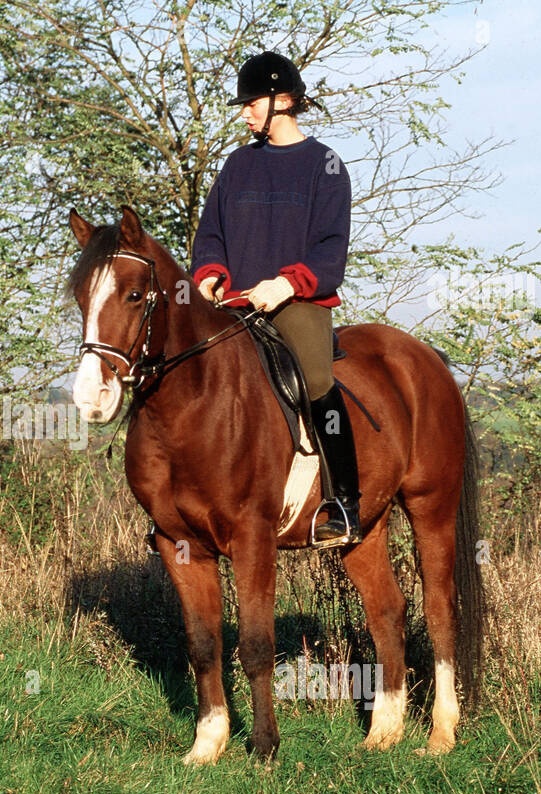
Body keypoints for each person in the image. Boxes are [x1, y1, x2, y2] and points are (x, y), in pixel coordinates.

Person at [191, 51, 361, 546]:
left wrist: (286, 284)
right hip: (236, 306)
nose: (244, 112)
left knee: (316, 378)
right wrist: (209, 276)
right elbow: (211, 235)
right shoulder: (237, 165)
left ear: (283, 101)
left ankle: (342, 504)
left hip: (298, 303)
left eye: (251, 103)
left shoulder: (324, 166)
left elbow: (331, 251)